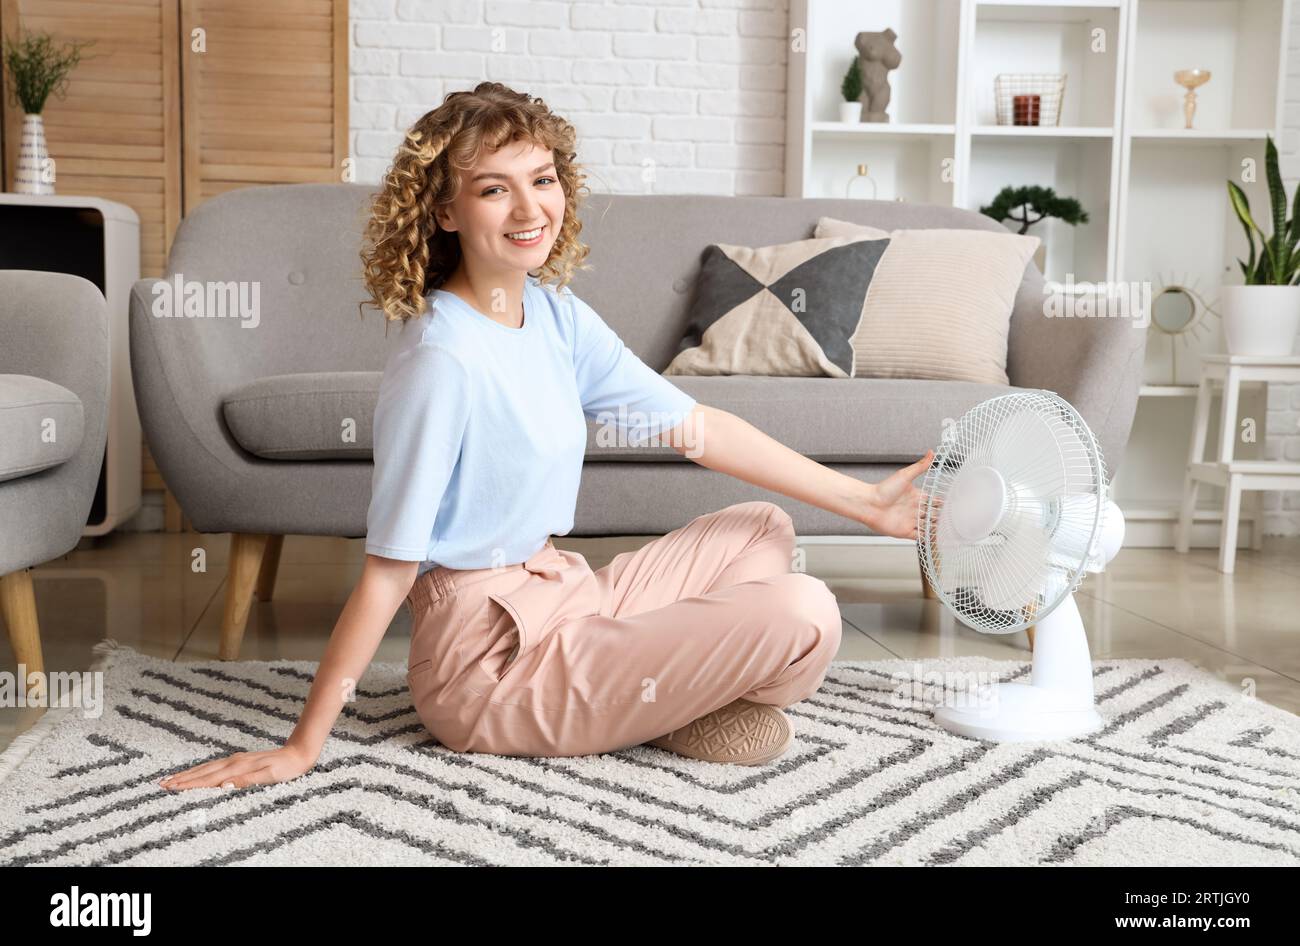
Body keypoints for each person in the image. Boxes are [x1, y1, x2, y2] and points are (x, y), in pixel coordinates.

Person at [157, 82, 932, 792]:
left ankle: (662, 698)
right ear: (446, 211)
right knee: (804, 609)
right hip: (485, 663)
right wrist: (303, 746)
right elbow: (388, 575)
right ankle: (666, 695)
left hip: (567, 595)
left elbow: (697, 429)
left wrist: (868, 504)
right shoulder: (442, 360)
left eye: (544, 180)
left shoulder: (555, 316)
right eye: (496, 188)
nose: (531, 210)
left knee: (761, 529)